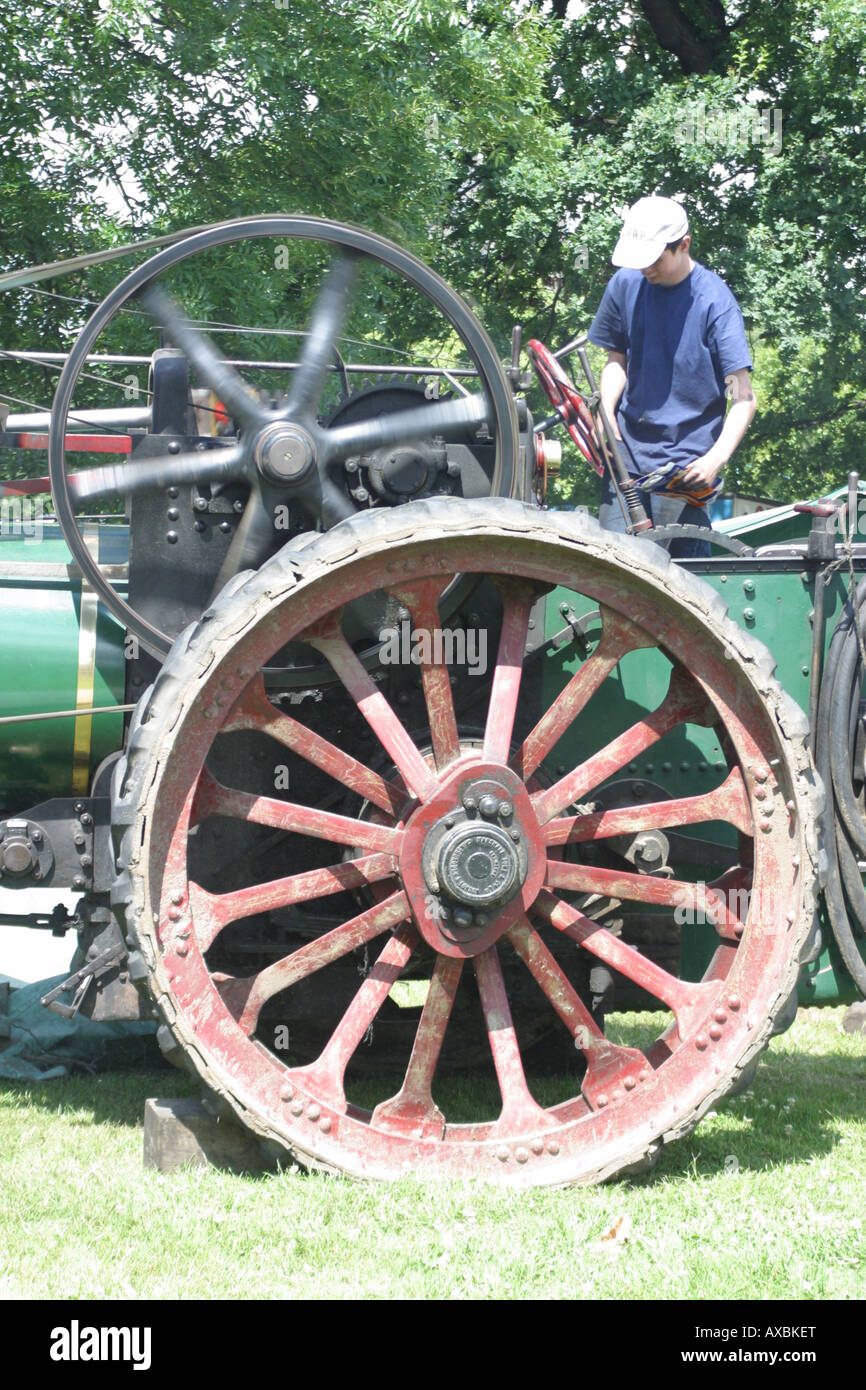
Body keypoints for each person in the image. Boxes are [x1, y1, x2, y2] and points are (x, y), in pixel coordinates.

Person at [587, 195, 755, 557]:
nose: (645, 268)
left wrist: (714, 460)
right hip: (625, 462)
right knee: (616, 581)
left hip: (684, 472)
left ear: (683, 245)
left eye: (654, 258)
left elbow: (743, 399)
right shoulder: (625, 284)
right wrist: (605, 412)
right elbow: (617, 360)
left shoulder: (715, 303)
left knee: (683, 592)